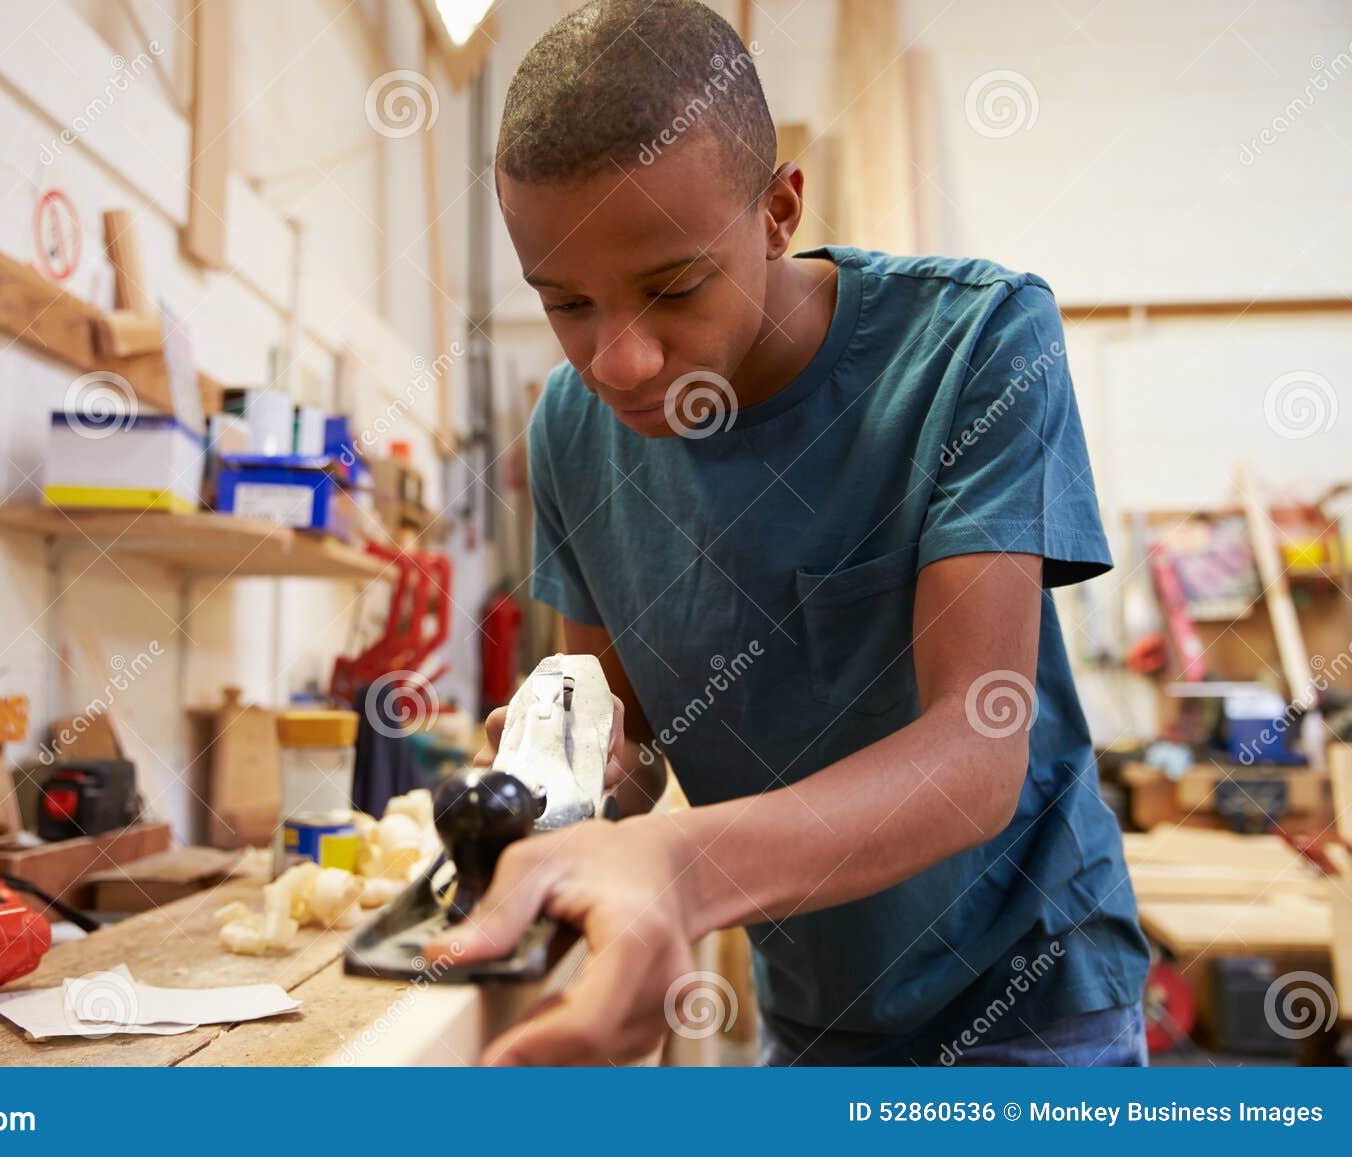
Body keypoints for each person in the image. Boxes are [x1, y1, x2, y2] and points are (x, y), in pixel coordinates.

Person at [428, 0, 1149, 1067]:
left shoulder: (973, 346)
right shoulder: (572, 430)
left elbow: (976, 748)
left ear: (776, 210)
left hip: (1030, 997)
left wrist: (677, 868)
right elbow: (624, 752)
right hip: (811, 1012)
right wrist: (556, 784)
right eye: (564, 302)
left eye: (671, 288)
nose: (617, 360)